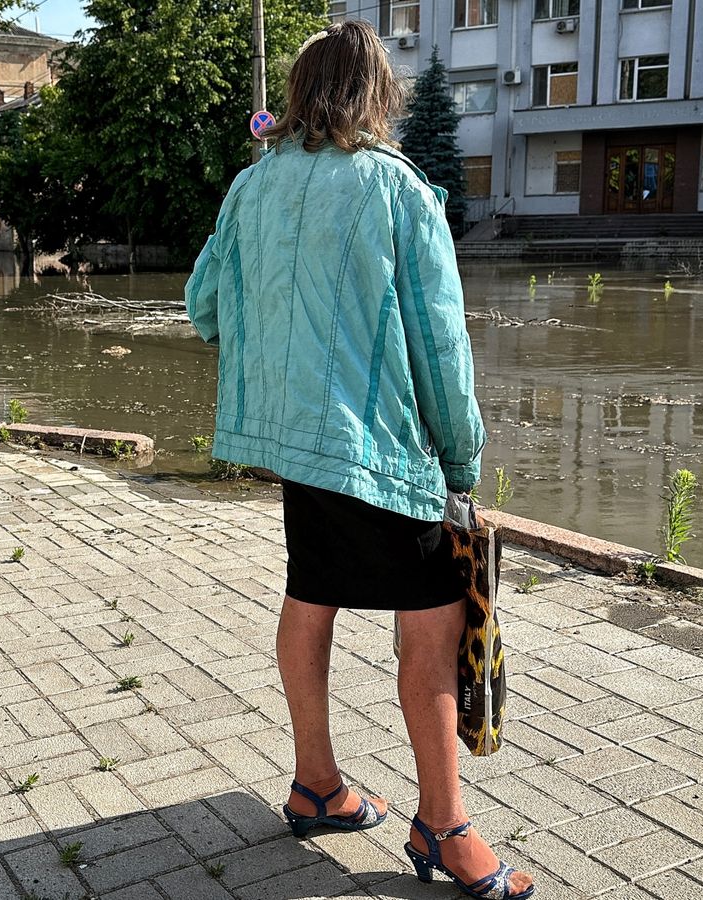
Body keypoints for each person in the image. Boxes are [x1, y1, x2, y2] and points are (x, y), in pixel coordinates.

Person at [184, 19, 534, 900]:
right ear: (379, 93)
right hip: (382, 449)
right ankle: (445, 829)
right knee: (434, 622)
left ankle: (317, 785)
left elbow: (203, 309)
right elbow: (440, 346)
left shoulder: (250, 188)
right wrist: (461, 464)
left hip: (297, 447)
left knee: (313, 591)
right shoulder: (396, 191)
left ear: (300, 95)